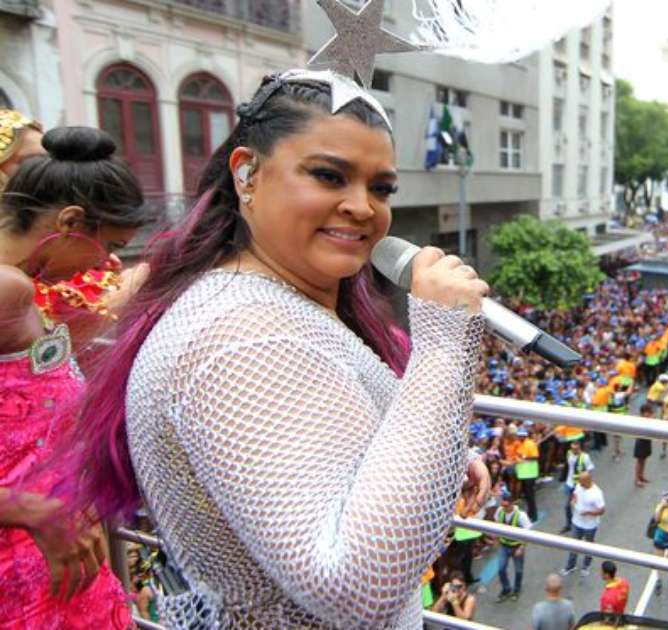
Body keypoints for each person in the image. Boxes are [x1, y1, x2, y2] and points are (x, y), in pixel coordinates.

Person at [56, 71, 492, 628]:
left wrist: (438, 454)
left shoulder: (276, 302)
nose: (362, 207)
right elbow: (358, 584)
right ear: (247, 174)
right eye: (328, 175)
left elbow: (322, 443)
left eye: (381, 189)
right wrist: (445, 345)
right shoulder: (240, 335)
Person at [2, 125, 154, 630]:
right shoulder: (7, 291)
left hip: (52, 568)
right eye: (109, 244)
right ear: (68, 222)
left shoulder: (25, 289)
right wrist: (30, 509)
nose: (108, 263)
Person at [562, 471, 605, 576]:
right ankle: (570, 566)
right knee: (574, 545)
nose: (579, 484)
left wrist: (588, 512)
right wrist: (573, 500)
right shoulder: (579, 486)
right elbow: (575, 494)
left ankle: (586, 565)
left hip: (590, 525)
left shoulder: (597, 494)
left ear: (588, 480)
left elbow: (602, 510)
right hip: (576, 522)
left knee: (588, 545)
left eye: (581, 482)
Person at [494, 492, 533, 602]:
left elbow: (528, 533)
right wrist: (496, 538)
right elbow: (497, 525)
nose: (504, 508)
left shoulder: (521, 515)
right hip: (504, 545)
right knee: (501, 569)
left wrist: (522, 547)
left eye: (506, 505)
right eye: (503, 505)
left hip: (516, 547)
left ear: (512, 503)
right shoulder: (499, 511)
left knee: (518, 571)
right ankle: (506, 589)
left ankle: (516, 590)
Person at [560, 440, 594, 534]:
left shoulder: (585, 457)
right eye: (572, 447)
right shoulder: (569, 454)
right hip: (569, 484)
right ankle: (569, 524)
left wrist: (588, 484)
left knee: (580, 505)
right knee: (567, 506)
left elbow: (590, 470)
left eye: (576, 448)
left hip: (579, 485)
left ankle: (582, 525)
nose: (574, 450)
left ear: (579, 447)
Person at [633, 403, 655, 487]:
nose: (649, 414)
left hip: (647, 441)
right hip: (641, 442)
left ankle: (641, 476)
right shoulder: (641, 421)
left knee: (644, 460)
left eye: (650, 412)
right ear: (642, 413)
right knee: (639, 461)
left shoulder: (648, 419)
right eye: (648, 412)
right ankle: (636, 479)